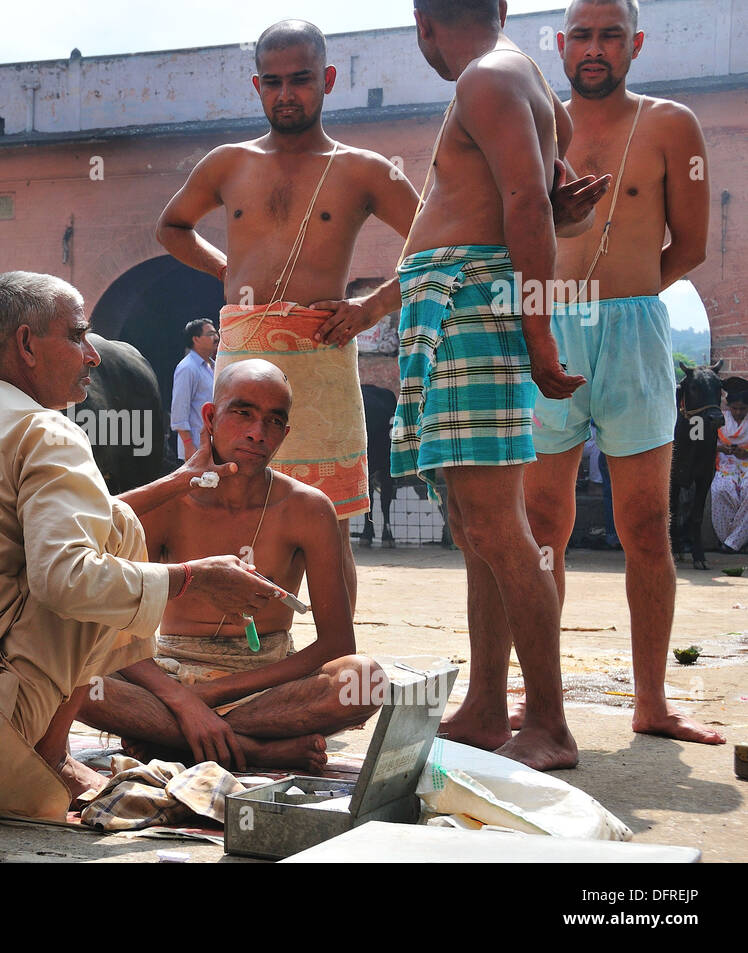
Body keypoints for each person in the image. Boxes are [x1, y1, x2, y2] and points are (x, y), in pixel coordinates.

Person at [0, 271, 284, 821]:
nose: (92, 355)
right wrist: (193, 578)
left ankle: (63, 746)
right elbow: (67, 578)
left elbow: (74, 520)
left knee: (109, 522)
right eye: (78, 335)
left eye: (274, 420)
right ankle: (51, 753)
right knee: (114, 537)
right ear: (26, 346)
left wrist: (177, 481)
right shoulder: (49, 432)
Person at [392, 0, 609, 771]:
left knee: (500, 528)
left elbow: (524, 205)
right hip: (460, 308)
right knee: (478, 527)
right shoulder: (532, 89)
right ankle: (487, 705)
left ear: (425, 21)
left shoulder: (485, 78)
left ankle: (546, 721)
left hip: (471, 308)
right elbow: (544, 205)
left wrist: (539, 330)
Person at [156, 18, 421, 612]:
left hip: (323, 354)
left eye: (300, 79)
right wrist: (229, 270)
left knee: (327, 523)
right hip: (245, 351)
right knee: (236, 510)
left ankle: (333, 664)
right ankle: (247, 657)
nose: (286, 94)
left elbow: (437, 246)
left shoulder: (364, 168)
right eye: (272, 82)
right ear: (256, 86)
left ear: (327, 80)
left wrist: (371, 307)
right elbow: (172, 227)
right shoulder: (228, 163)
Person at [521, 0, 724, 746]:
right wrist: (558, 311)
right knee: (542, 523)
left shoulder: (672, 124)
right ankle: (540, 698)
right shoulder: (536, 126)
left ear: (634, 43)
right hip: (547, 323)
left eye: (610, 35)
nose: (595, 48)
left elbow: (693, 244)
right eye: (582, 35)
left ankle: (652, 700)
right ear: (561, 44)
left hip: (637, 328)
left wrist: (624, 295)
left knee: (645, 523)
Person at [77, 359, 381, 771]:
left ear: (285, 434)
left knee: (364, 681)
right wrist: (180, 696)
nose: (258, 433)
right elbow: (98, 593)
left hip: (265, 681)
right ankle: (254, 750)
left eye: (274, 421)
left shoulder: (308, 508)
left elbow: (337, 645)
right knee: (70, 675)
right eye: (242, 413)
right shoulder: (170, 501)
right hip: (169, 674)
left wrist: (207, 699)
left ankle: (177, 740)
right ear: (210, 416)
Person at [170, 318, 218, 460]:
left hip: (213, 446)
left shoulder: (215, 366)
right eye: (210, 334)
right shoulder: (187, 368)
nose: (216, 338)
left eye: (216, 333)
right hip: (196, 448)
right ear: (196, 339)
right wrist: (188, 446)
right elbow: (179, 412)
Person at [710, 388, 748, 553]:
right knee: (720, 490)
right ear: (728, 406)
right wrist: (722, 448)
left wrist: (745, 453)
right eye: (735, 408)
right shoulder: (720, 420)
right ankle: (730, 540)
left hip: (746, 465)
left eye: (743, 409)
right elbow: (706, 445)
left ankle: (733, 543)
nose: (738, 412)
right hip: (726, 465)